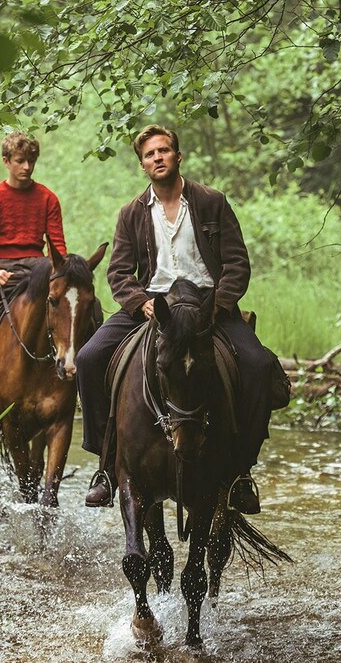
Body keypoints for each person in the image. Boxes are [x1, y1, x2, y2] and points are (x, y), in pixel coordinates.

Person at [77, 124, 276, 514]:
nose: (158, 158)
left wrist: (216, 305)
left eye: (164, 150)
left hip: (206, 303)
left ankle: (241, 472)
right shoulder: (131, 213)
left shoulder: (211, 201)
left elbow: (237, 263)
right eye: (150, 154)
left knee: (259, 364)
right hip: (155, 306)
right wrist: (140, 303)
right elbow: (118, 272)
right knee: (87, 357)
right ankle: (105, 466)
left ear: (178, 156)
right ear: (142, 165)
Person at [0, 131, 67, 419]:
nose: (27, 167)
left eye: (31, 160)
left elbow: (57, 246)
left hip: (39, 267)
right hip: (3, 268)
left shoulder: (48, 198)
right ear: (6, 161)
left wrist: (60, 272)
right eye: (20, 161)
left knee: (74, 310)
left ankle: (72, 376)